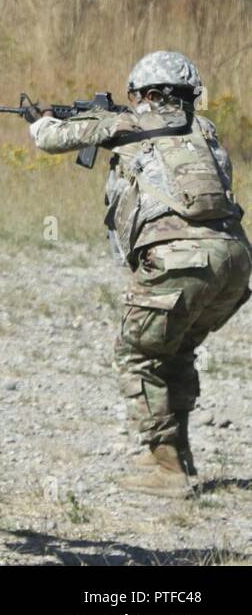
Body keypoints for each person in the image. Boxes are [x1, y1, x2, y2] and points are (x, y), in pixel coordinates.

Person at [29, 51, 249, 497]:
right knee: (177, 350)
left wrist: (40, 118)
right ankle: (176, 456)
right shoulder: (205, 131)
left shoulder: (129, 125)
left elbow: (50, 139)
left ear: (147, 95)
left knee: (138, 355)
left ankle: (165, 467)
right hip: (234, 262)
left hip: (178, 261)